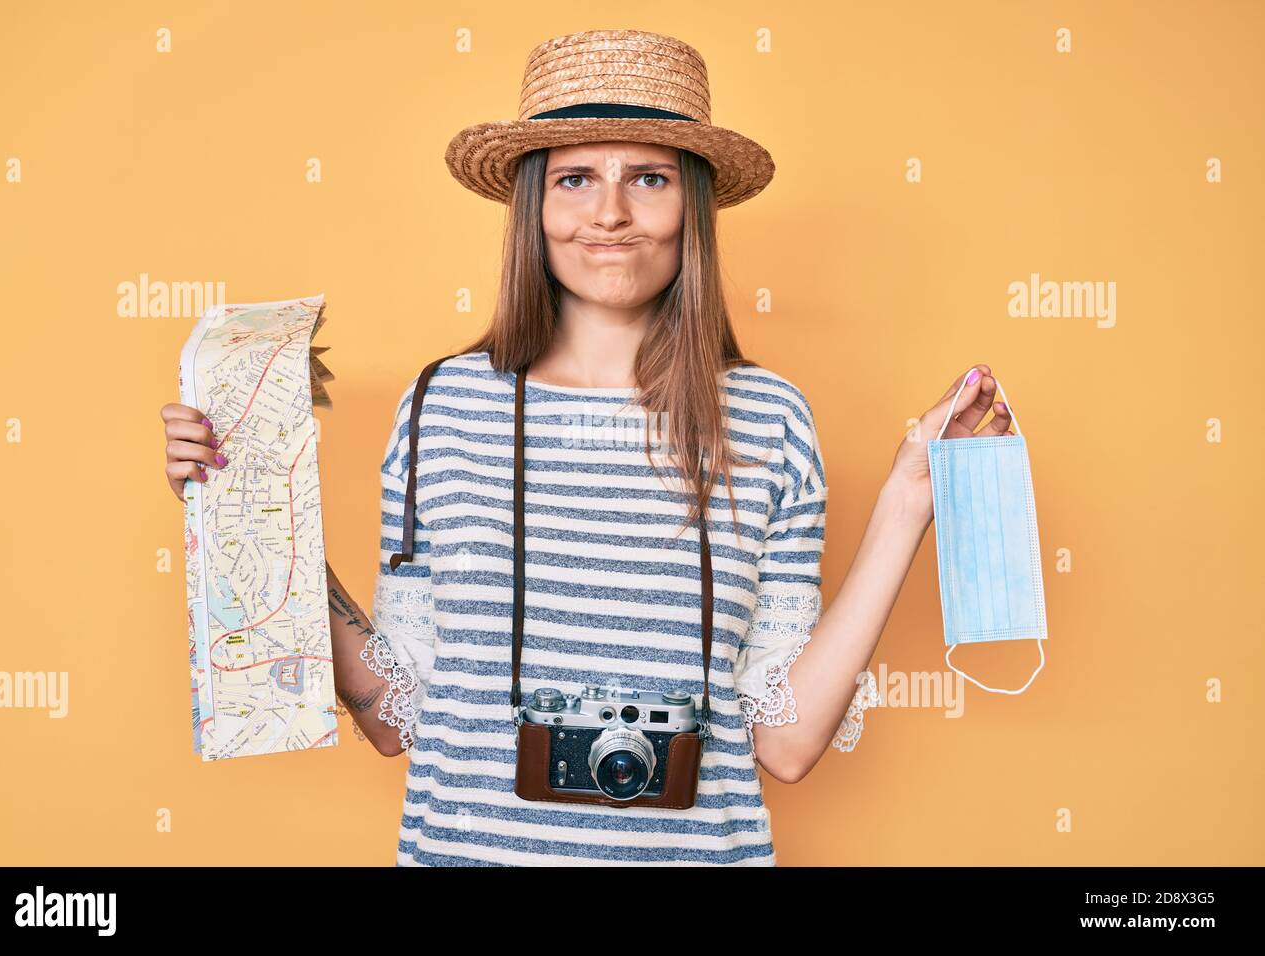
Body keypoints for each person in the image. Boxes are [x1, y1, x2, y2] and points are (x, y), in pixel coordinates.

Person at [158, 28, 1013, 865]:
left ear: (695, 209)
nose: (609, 213)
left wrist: (909, 500)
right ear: (535, 205)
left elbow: (785, 745)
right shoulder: (444, 405)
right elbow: (398, 713)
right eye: (575, 179)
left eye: (649, 177)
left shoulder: (768, 418)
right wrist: (257, 508)